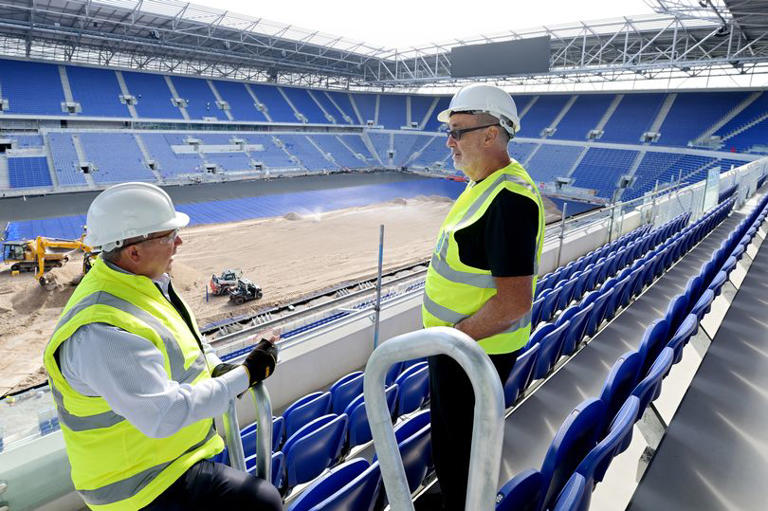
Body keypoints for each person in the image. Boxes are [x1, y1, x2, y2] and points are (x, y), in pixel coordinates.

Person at [42, 182, 283, 511]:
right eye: (169, 236)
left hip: (178, 456)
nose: (179, 242)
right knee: (262, 501)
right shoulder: (101, 330)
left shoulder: (145, 284)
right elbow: (164, 416)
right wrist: (246, 375)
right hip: (138, 487)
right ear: (134, 251)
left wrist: (217, 368)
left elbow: (189, 343)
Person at [421, 84, 545, 510]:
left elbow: (514, 304)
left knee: (459, 452)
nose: (449, 141)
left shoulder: (509, 200)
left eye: (457, 131)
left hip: (472, 349)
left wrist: (453, 339)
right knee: (453, 446)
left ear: (491, 134)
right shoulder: (485, 182)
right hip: (462, 347)